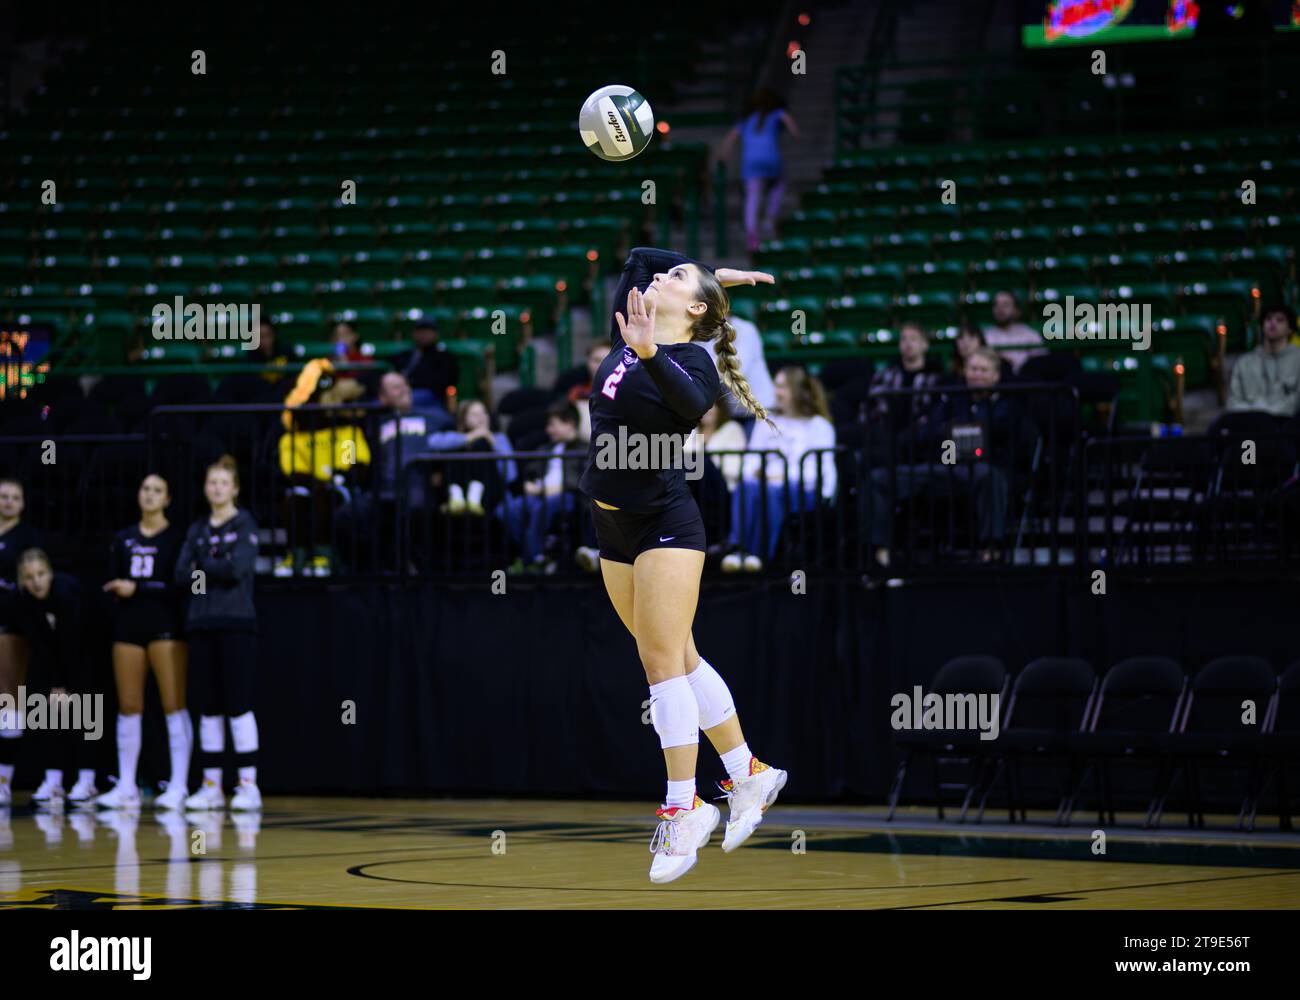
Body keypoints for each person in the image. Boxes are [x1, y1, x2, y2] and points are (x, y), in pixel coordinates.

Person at [578, 246, 788, 883]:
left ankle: (683, 805)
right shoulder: (633, 313)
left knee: (658, 661)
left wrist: (647, 348)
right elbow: (641, 253)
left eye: (675, 279)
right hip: (610, 517)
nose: (656, 279)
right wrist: (711, 272)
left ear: (694, 310)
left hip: (666, 520)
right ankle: (748, 772)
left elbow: (693, 404)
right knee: (678, 655)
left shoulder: (691, 359)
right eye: (663, 277)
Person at [869, 348, 1038, 567]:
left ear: (996, 376)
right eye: (973, 369)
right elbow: (926, 432)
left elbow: (999, 436)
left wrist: (956, 431)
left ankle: (991, 549)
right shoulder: (950, 400)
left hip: (982, 470)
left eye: (983, 370)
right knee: (879, 478)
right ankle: (880, 553)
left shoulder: (1008, 406)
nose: (977, 375)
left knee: (989, 477)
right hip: (943, 468)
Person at [95, 475, 192, 810]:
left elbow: (181, 586)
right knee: (129, 706)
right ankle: (126, 785)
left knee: (173, 704)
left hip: (165, 626)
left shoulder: (176, 538)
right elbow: (110, 583)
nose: (150, 495)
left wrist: (140, 589)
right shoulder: (124, 538)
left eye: (157, 491)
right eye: (145, 489)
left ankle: (178, 785)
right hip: (128, 628)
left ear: (167, 499)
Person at [174, 455, 262, 811]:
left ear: (235, 488)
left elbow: (235, 569)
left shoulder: (245, 523)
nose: (216, 488)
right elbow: (182, 574)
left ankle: (247, 786)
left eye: (223, 482)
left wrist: (204, 566)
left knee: (237, 704)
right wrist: (211, 567)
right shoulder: (197, 528)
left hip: (236, 622)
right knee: (208, 707)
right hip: (201, 623)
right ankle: (211, 786)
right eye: (212, 482)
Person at [722, 365, 836, 571]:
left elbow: (816, 471)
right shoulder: (767, 421)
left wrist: (777, 476)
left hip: (806, 491)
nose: (776, 392)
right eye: (775, 386)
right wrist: (762, 474)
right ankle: (738, 548)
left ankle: (759, 554)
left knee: (772, 491)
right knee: (747, 486)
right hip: (765, 484)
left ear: (797, 390)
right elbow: (750, 463)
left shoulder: (819, 425)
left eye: (782, 387)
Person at [15, 549, 97, 807]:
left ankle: (87, 780)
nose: (36, 582)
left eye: (41, 574)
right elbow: (42, 644)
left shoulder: (67, 593)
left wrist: (63, 684)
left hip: (86, 652)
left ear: (50, 573)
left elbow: (73, 641)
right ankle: (53, 780)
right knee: (46, 711)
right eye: (29, 577)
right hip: (53, 658)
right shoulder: (24, 601)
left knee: (83, 713)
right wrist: (53, 684)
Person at [495, 400, 585, 571]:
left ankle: (532, 560)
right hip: (539, 493)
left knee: (540, 508)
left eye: (553, 425)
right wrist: (529, 484)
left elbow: (583, 481)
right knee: (507, 510)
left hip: (569, 496)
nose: (548, 430)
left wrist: (557, 488)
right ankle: (537, 556)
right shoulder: (545, 448)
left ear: (569, 423)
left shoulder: (585, 449)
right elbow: (530, 471)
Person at [0, 479, 42, 805]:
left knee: (8, 699)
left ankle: (4, 780)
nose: (9, 502)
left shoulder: (27, 538)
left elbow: (35, 583)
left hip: (11, 625)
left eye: (16, 497)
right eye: (4, 496)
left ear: (24, 504)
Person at [719, 88, 802, 253]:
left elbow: (729, 140)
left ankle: (751, 233)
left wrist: (723, 155)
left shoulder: (745, 120)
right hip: (772, 160)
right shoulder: (778, 113)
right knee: (779, 185)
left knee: (753, 198)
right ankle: (769, 220)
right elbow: (794, 131)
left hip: (751, 164)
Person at [444, 398, 517, 516]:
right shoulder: (458, 439)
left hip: (492, 494)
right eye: (474, 414)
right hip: (462, 494)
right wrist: (469, 437)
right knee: (460, 447)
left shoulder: (499, 438)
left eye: (484, 413)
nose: (481, 417)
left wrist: (493, 444)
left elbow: (511, 475)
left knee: (481, 444)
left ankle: (474, 497)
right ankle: (457, 496)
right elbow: (433, 442)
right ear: (463, 419)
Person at [1227, 303, 1300, 417]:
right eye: (1268, 318)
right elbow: (1232, 403)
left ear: (1290, 329)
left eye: (1280, 320)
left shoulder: (1297, 359)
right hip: (1251, 425)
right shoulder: (1245, 362)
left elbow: (1296, 402)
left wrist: (1269, 412)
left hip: (1289, 426)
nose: (1272, 323)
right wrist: (1257, 411)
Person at [703, 313, 776, 420]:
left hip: (759, 407)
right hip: (731, 411)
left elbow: (737, 371)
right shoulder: (706, 334)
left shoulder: (747, 329)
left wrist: (709, 372)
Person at [393, 320, 460, 410]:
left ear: (435, 334)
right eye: (420, 331)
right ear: (414, 334)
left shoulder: (444, 356)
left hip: (431, 395)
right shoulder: (405, 355)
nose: (424, 334)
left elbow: (444, 382)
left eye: (428, 331)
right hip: (402, 391)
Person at [984, 291, 1047, 374]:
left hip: (1024, 380)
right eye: (996, 305)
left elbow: (1041, 361)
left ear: (1016, 311)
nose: (1000, 309)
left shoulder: (1029, 334)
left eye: (1005, 305)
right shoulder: (986, 335)